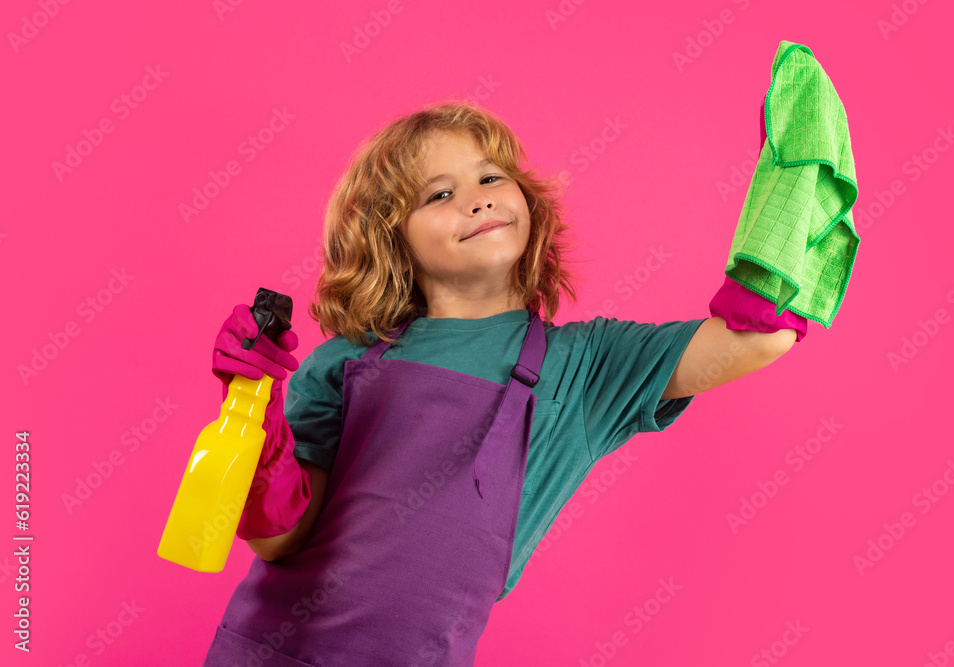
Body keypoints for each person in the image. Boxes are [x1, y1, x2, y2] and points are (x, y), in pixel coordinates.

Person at [201, 102, 803, 666]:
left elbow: (757, 336)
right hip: (271, 648)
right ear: (391, 241)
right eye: (440, 193)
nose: (477, 200)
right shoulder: (346, 361)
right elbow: (279, 540)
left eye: (491, 179)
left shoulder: (590, 366)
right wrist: (255, 411)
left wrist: (794, 192)